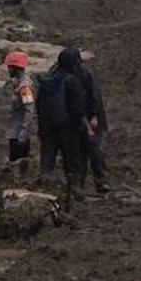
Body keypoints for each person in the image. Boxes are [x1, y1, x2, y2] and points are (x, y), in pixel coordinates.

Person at [36, 49, 90, 208]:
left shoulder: (47, 80)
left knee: (47, 163)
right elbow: (77, 108)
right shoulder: (72, 81)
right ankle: (74, 197)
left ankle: (42, 194)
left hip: (48, 129)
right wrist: (80, 128)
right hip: (68, 130)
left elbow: (39, 106)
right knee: (72, 164)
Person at [58, 47, 111, 194]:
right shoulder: (65, 76)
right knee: (78, 152)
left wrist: (93, 117)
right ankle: (78, 184)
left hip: (91, 116)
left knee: (95, 150)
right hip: (75, 117)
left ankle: (101, 180)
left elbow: (94, 97)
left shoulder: (85, 75)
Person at [3, 52, 36, 177]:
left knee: (18, 163)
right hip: (16, 130)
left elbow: (29, 109)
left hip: (19, 132)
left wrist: (23, 131)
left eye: (9, 67)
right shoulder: (18, 83)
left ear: (15, 68)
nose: (8, 70)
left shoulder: (24, 87)